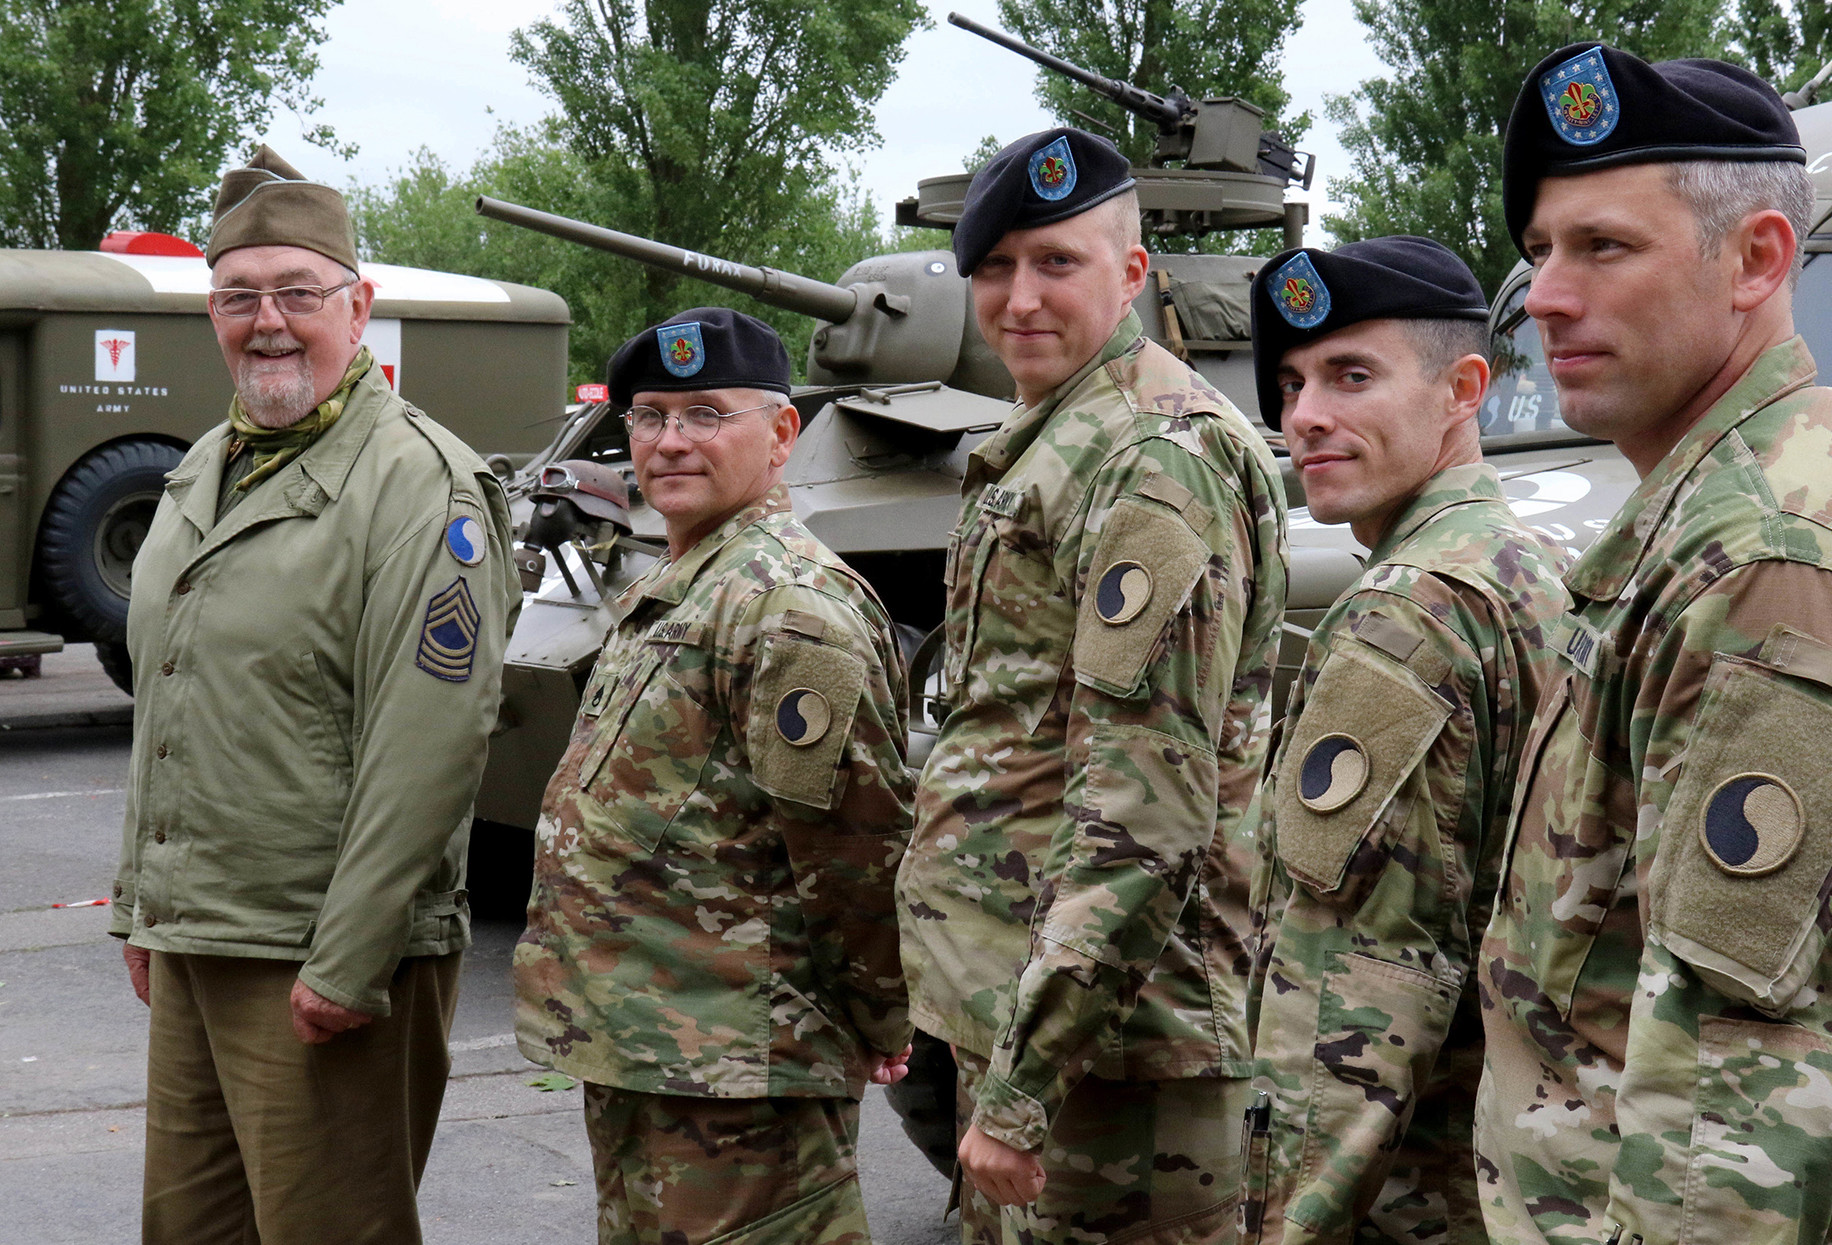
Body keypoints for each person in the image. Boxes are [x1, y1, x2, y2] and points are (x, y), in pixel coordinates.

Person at [1475, 43, 1832, 1245]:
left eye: (1603, 247)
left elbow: (1738, 1103)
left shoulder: (1774, 562)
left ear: (1756, 261)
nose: (1545, 297)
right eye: (1538, 252)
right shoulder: (1730, 502)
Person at [111, 144, 519, 1245]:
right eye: (239, 297)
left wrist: (348, 958)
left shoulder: (417, 483)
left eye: (298, 292)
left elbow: (430, 741)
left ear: (360, 306)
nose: (269, 321)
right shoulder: (206, 465)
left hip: (322, 958)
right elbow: (172, 699)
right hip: (202, 935)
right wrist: (141, 907)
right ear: (212, 315)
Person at [895, 125, 1290, 1243]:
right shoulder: (1062, 432)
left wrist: (1023, 1092)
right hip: (1046, 1020)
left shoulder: (1149, 459)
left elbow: (1142, 809)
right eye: (995, 267)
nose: (1018, 298)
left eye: (1055, 263)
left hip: (1115, 1056)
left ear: (1131, 274)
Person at [513, 307, 916, 1245]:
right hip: (655, 1050)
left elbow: (854, 845)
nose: (669, 442)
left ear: (782, 434)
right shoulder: (687, 579)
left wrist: (879, 1012)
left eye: (705, 414)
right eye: (649, 417)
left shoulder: (789, 606)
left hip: (740, 1067)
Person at [1237, 237, 1569, 1245]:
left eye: (1351, 376)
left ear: (1461, 388)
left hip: (1414, 1190)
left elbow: (1354, 989)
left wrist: (1279, 1224)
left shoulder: (1406, 616)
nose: (1304, 417)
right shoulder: (1525, 564)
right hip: (1512, 1159)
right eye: (1291, 384)